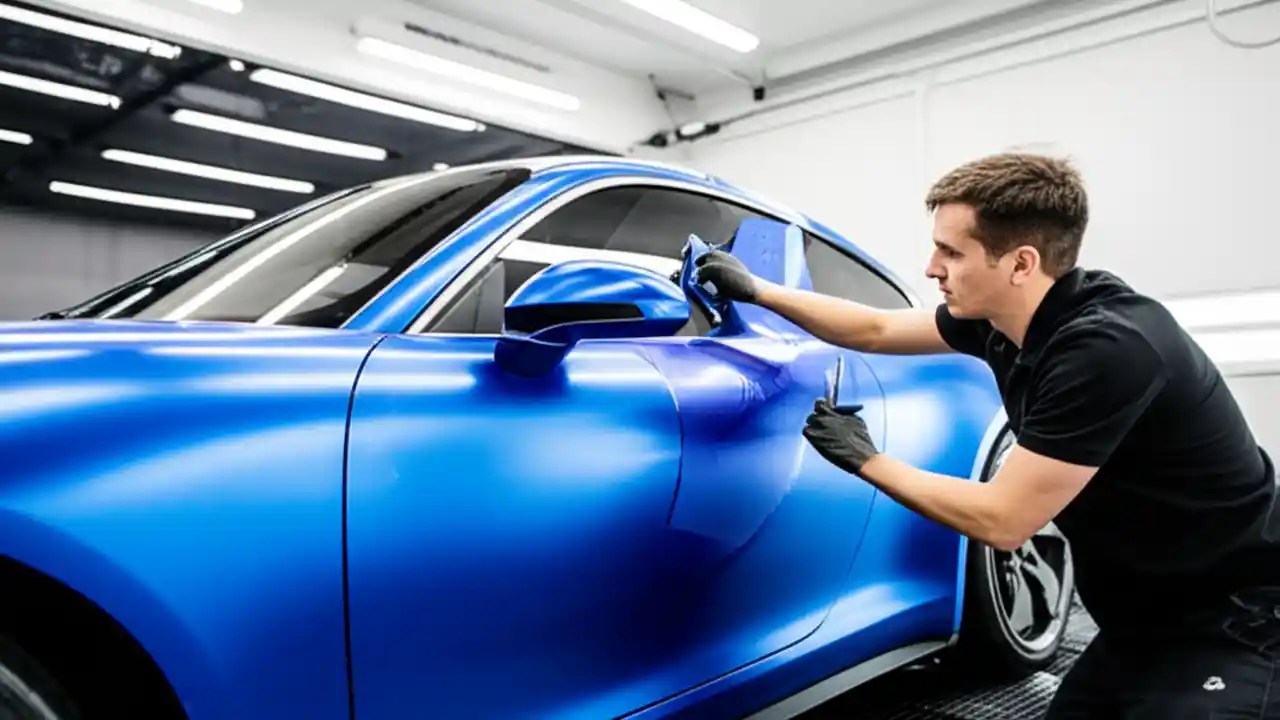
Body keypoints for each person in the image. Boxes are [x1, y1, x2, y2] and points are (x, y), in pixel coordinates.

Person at [694, 152, 1280, 718]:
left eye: (951, 252)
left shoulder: (1107, 348)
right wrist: (757, 290)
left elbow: (1003, 520)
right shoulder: (1005, 321)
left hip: (1238, 620)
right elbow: (874, 328)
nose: (932, 267)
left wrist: (866, 459)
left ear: (1021, 264)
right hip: (1139, 623)